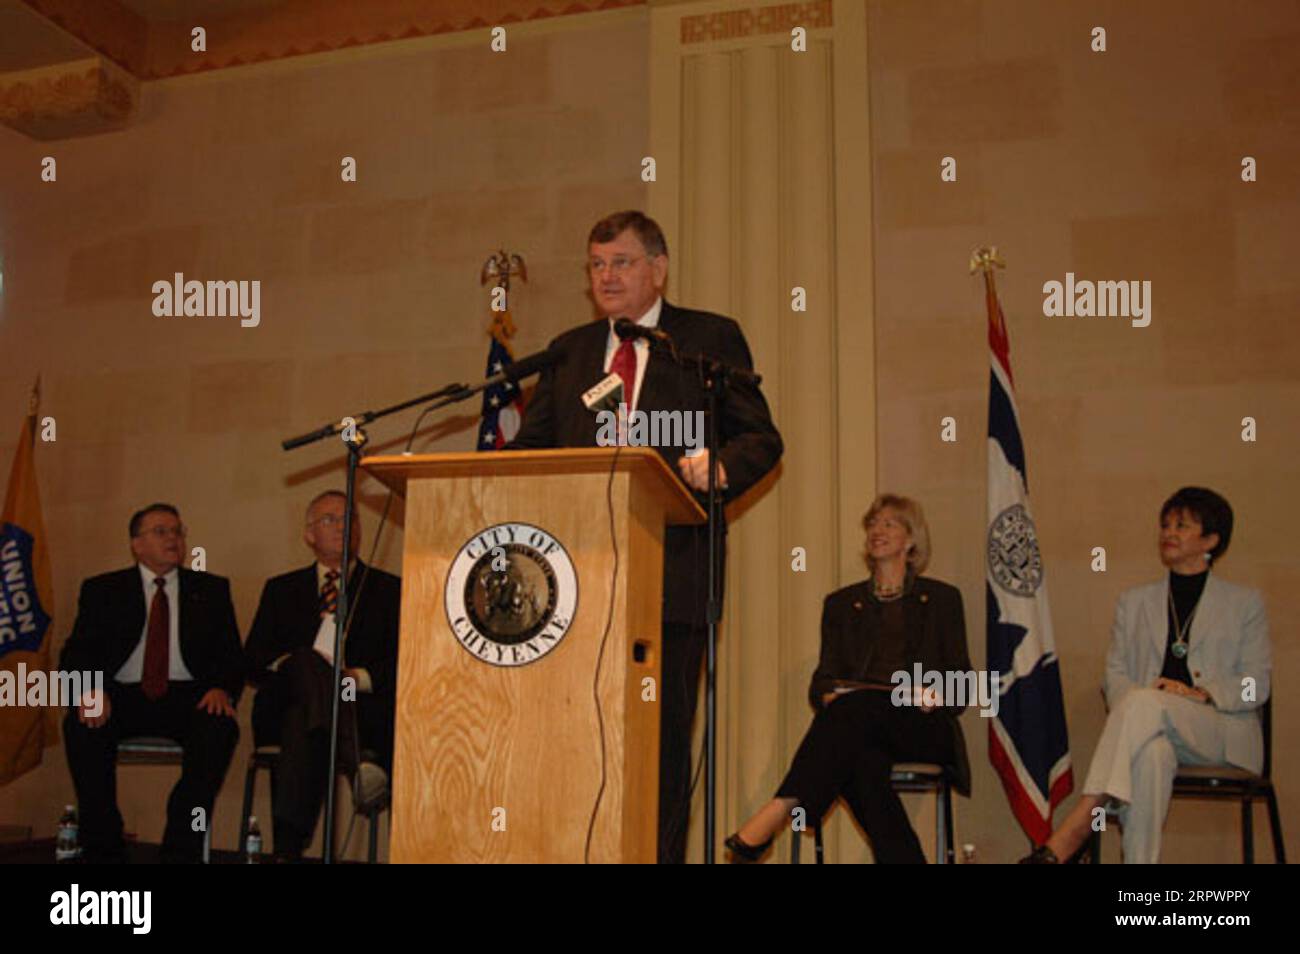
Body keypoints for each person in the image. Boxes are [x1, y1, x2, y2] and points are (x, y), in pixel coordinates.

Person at [506, 209, 783, 862]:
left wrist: (719, 467)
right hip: (574, 583)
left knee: (657, 749)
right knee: (575, 741)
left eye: (621, 262)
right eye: (596, 265)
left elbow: (761, 438)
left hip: (673, 574)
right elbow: (534, 451)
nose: (606, 276)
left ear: (658, 269)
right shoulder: (570, 351)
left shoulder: (706, 339)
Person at [1022, 487, 1271, 864]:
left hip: (1219, 730)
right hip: (1151, 725)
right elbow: (1115, 676)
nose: (1168, 533)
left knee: (1143, 702)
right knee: (1150, 755)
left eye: (1182, 526)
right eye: (1166, 524)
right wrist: (1148, 699)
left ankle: (1078, 826)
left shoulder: (1243, 603)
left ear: (1211, 540)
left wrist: (1199, 693)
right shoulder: (1134, 602)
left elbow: (1257, 683)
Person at [725, 494, 972, 863]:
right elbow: (823, 680)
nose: (877, 530)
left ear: (911, 540)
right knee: (861, 762)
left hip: (921, 724)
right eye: (872, 523)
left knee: (855, 714)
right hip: (859, 725)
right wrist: (827, 696)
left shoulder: (941, 600)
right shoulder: (841, 604)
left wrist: (933, 692)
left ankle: (783, 804)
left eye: (890, 523)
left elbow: (962, 684)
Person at [60, 503, 243, 863]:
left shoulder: (211, 589)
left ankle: (181, 848)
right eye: (161, 531)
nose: (173, 538)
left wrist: (221, 687)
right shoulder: (103, 589)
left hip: (189, 697)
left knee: (219, 728)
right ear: (136, 544)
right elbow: (77, 652)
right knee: (81, 727)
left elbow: (233, 655)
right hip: (120, 695)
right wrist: (89, 691)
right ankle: (103, 845)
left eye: (178, 531)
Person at [244, 490, 402, 861]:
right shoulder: (280, 589)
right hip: (285, 702)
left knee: (305, 723)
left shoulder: (388, 589)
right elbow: (252, 659)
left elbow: (401, 660)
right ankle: (356, 762)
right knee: (306, 661)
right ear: (309, 535)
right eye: (330, 520)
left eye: (351, 519)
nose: (343, 527)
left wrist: (354, 677)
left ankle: (286, 851)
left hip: (355, 704)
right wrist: (297, 666)